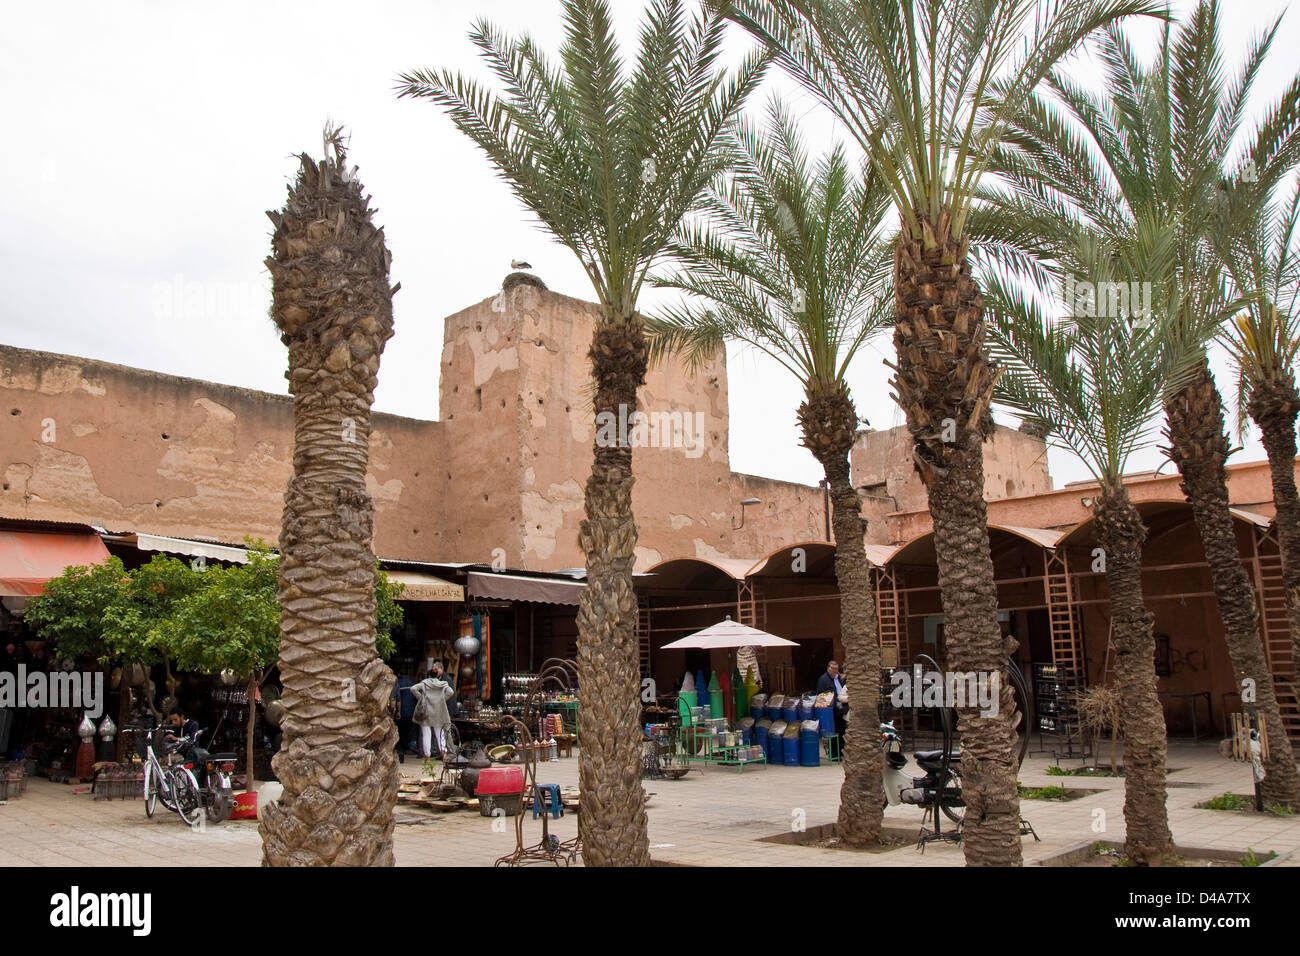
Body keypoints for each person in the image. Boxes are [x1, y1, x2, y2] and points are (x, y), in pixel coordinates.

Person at [410, 665, 455, 759]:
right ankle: (443, 752)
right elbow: (450, 692)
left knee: (426, 734)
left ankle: (427, 755)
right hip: (439, 711)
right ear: (438, 676)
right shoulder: (443, 684)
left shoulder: (424, 683)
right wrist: (442, 699)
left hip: (426, 712)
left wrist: (421, 698)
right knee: (440, 733)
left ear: (429, 675)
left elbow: (413, 688)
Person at [815, 661, 848, 742]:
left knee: (842, 730)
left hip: (841, 707)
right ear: (828, 668)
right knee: (834, 732)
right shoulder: (823, 679)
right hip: (831, 710)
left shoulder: (839, 678)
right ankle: (834, 752)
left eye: (836, 669)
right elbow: (821, 695)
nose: (834, 671)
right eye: (832, 668)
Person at [393, 670, 416, 763]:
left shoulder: (398, 684)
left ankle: (401, 749)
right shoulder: (412, 684)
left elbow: (398, 698)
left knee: (401, 731)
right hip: (411, 713)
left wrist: (398, 711)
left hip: (402, 712)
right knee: (407, 731)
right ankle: (406, 747)